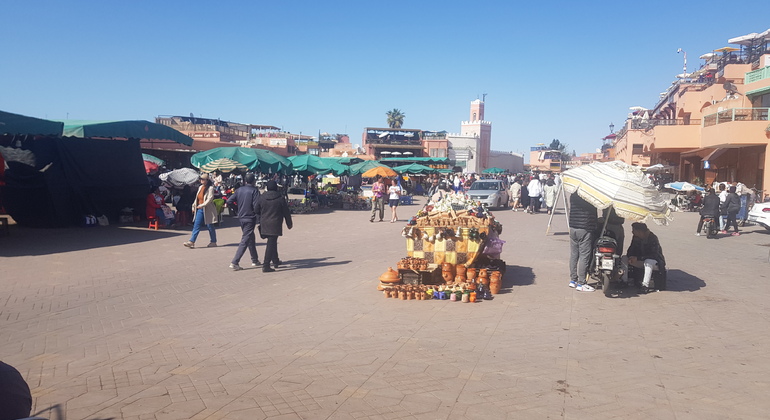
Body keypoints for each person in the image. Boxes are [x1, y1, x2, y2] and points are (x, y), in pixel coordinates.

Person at [226, 173, 261, 271]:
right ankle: (235, 262)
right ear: (253, 181)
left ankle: (254, 259)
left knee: (250, 237)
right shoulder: (254, 191)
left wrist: (236, 209)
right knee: (246, 239)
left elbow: (229, 201)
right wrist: (259, 216)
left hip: (241, 217)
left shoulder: (239, 190)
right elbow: (256, 206)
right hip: (250, 217)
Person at [257, 180, 293, 272]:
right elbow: (286, 212)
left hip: (264, 223)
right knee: (271, 243)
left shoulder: (262, 198)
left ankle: (275, 260)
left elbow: (256, 209)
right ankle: (266, 265)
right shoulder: (280, 198)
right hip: (275, 223)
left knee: (272, 241)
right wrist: (289, 223)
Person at [568, 193, 597, 291]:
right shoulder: (589, 196)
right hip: (584, 228)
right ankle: (581, 283)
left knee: (574, 255)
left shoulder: (573, 195)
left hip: (573, 227)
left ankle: (573, 280)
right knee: (584, 256)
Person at [627, 222, 666, 292]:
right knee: (624, 258)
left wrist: (638, 258)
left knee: (648, 262)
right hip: (641, 260)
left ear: (640, 231)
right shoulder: (636, 238)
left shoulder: (652, 238)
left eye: (634, 230)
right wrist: (630, 257)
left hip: (655, 262)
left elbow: (654, 255)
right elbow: (631, 249)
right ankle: (623, 281)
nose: (632, 232)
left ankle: (645, 285)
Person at [183, 173, 217, 249]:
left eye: (203, 179)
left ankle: (213, 241)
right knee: (196, 225)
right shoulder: (200, 187)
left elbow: (210, 199)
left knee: (210, 226)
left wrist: (203, 205)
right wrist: (194, 206)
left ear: (207, 180)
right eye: (200, 179)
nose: (201, 180)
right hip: (200, 209)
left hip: (208, 209)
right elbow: (197, 198)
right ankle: (191, 241)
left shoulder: (210, 188)